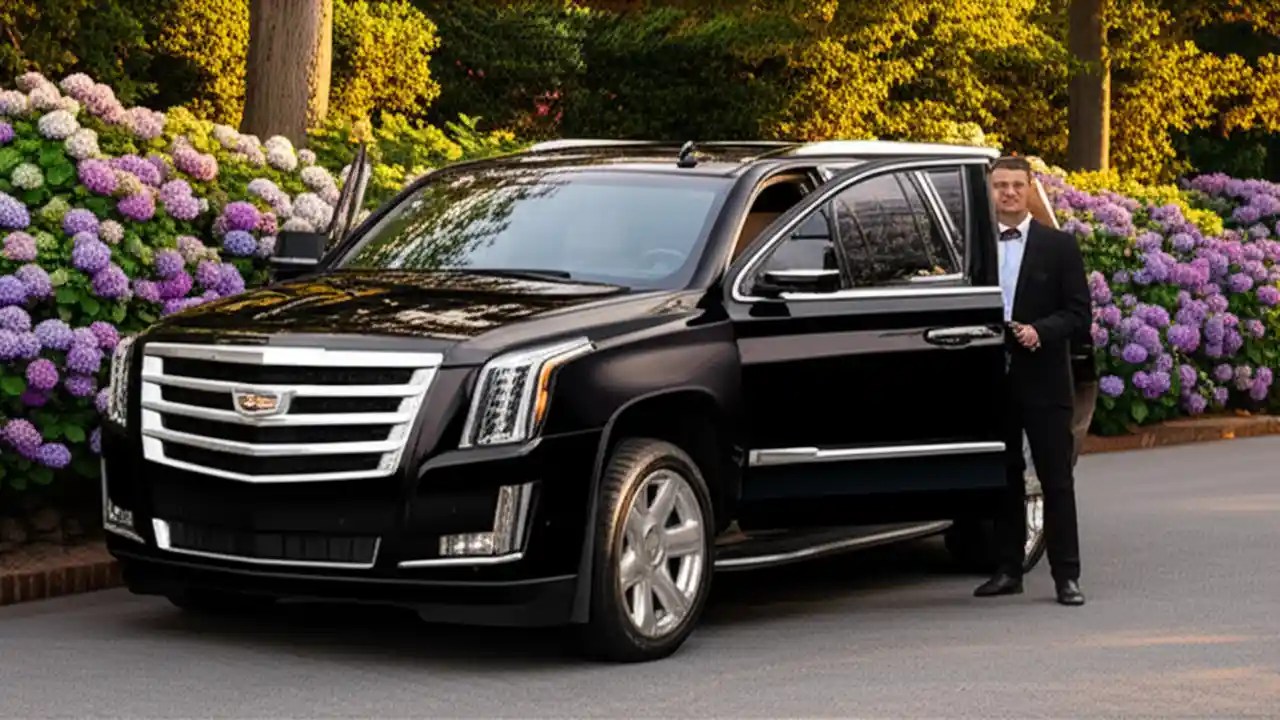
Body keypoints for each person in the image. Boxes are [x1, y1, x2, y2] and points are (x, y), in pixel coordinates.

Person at [974, 156, 1091, 606]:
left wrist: (1041, 331)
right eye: (1000, 185)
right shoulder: (978, 247)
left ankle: (1067, 576)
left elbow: (1080, 314)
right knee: (1003, 478)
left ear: (1029, 190)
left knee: (1055, 478)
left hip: (1043, 378)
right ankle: (1008, 570)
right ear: (990, 190)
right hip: (992, 378)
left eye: (1016, 185)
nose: (1007, 193)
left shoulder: (1058, 246)